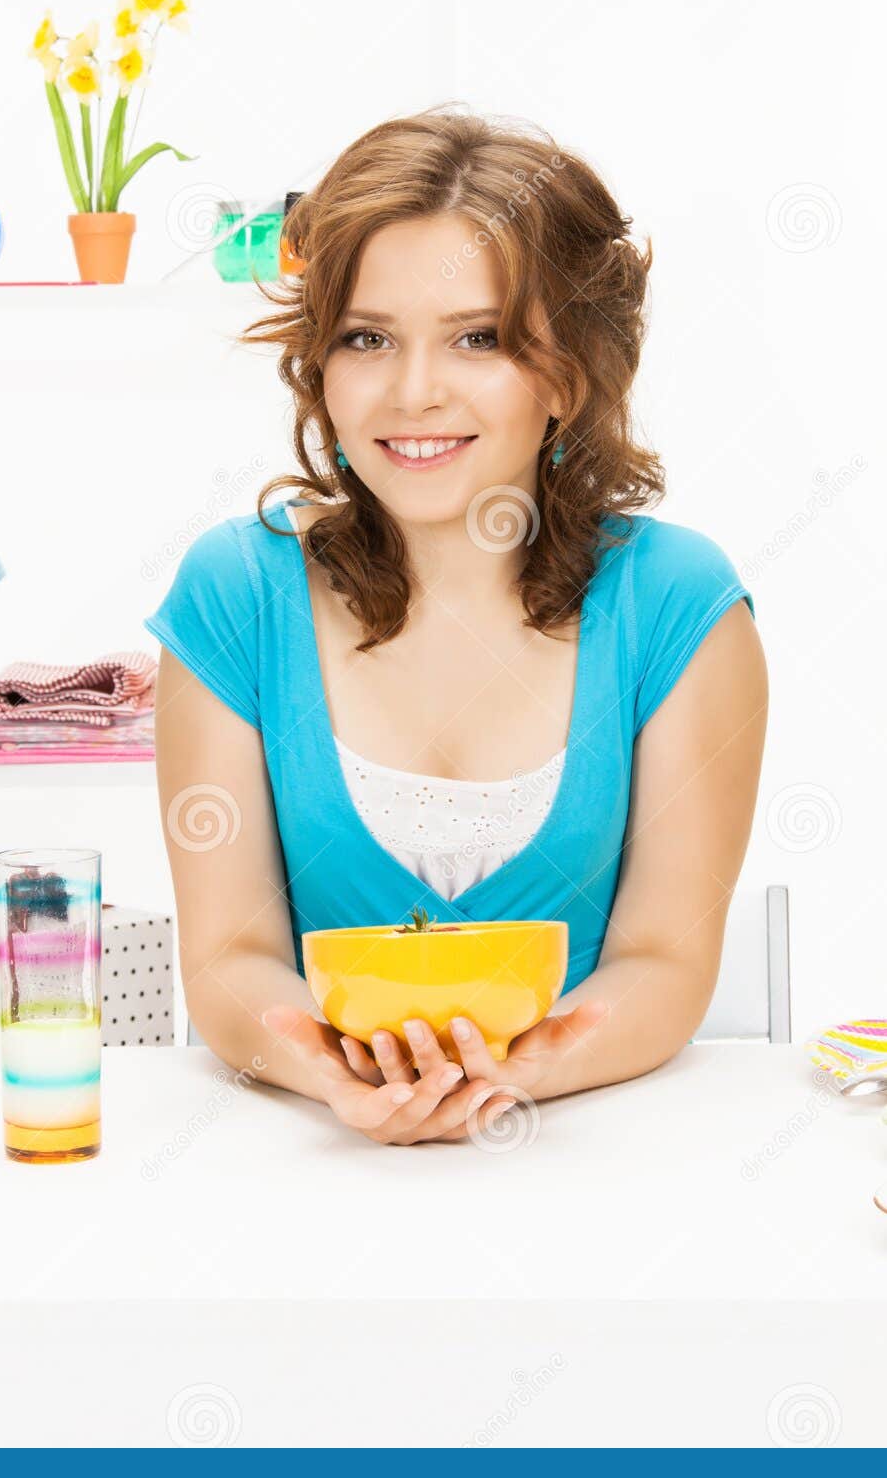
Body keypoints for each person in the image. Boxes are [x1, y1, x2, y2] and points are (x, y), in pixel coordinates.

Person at [144, 106, 768, 1145]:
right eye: (366, 338)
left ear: (567, 371)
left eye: (476, 338)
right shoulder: (235, 592)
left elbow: (661, 960)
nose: (412, 391)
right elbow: (227, 954)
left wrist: (490, 1086)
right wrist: (348, 1088)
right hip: (309, 1172)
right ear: (319, 367)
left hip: (589, 1168)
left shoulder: (674, 603)